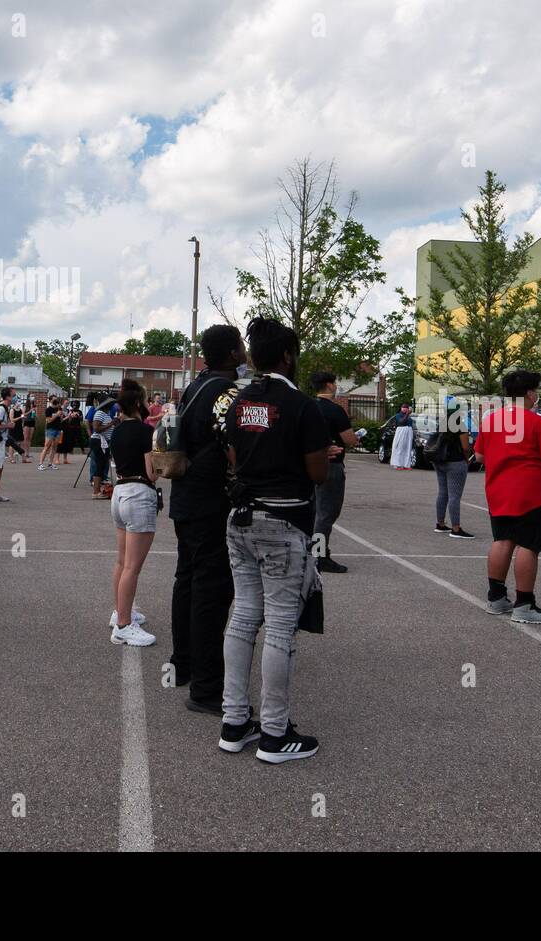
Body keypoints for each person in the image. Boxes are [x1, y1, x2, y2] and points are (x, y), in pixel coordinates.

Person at [218, 317, 329, 763]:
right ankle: (276, 734)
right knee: (281, 624)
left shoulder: (238, 402)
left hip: (240, 517)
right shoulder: (302, 406)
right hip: (283, 521)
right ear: (287, 355)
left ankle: (234, 721)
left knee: (244, 615)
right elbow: (318, 472)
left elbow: (232, 454)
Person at [169, 324, 248, 716]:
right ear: (233, 354)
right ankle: (206, 687)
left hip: (186, 496)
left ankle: (182, 662)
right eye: (241, 346)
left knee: (187, 579)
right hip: (209, 500)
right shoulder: (227, 393)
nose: (246, 351)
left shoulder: (195, 386)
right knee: (211, 590)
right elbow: (233, 445)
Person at [474, 370, 541, 624]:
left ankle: (496, 597)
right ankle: (524, 604)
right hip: (531, 494)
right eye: (536, 390)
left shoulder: (491, 421)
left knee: (502, 540)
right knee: (528, 545)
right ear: (529, 393)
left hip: (498, 492)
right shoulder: (540, 423)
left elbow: (480, 456)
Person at [103, 379, 158, 647]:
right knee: (132, 567)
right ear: (138, 403)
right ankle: (124, 624)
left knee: (122, 561)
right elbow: (152, 473)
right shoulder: (145, 431)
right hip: (138, 494)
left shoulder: (117, 431)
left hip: (120, 492)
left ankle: (120, 611)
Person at [311, 371, 360, 573]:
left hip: (309, 464)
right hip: (331, 466)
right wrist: (356, 437)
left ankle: (312, 551)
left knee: (315, 511)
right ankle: (319, 556)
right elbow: (349, 440)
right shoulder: (335, 410)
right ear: (329, 385)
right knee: (326, 513)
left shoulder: (308, 407)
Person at [431, 396, 474, 538]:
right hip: (456, 462)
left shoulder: (442, 422)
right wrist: (467, 459)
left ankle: (440, 523)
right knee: (455, 496)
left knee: (442, 492)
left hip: (440, 461)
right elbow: (466, 447)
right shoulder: (460, 424)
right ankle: (456, 528)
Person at [89, 398, 117, 499]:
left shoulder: (106, 414)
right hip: (98, 441)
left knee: (101, 465)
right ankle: (96, 492)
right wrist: (111, 424)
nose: (113, 406)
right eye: (111, 404)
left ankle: (97, 490)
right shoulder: (100, 413)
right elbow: (96, 428)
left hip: (104, 442)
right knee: (99, 466)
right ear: (106, 405)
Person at [39, 396, 64, 469]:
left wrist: (61, 415)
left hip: (58, 429)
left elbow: (61, 420)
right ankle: (40, 464)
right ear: (50, 400)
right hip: (50, 429)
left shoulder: (59, 409)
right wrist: (56, 415)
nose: (56, 400)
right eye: (54, 399)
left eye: (56, 399)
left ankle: (50, 463)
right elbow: (48, 420)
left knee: (54, 447)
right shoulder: (48, 410)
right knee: (47, 447)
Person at [389, 403, 416, 470]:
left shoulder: (409, 416)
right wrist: (407, 414)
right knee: (399, 448)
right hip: (401, 431)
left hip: (409, 431)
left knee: (407, 448)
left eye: (406, 407)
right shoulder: (398, 415)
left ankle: (406, 465)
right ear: (401, 408)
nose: (405, 408)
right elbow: (401, 422)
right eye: (403, 407)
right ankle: (398, 464)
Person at [61, 399, 83, 465]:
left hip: (76, 427)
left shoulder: (79, 411)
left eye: (75, 404)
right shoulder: (69, 411)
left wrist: (78, 416)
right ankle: (59, 458)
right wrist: (70, 416)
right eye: (73, 404)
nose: (74, 406)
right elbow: (66, 420)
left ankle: (82, 450)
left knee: (79, 438)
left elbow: (81, 419)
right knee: (69, 441)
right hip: (69, 428)